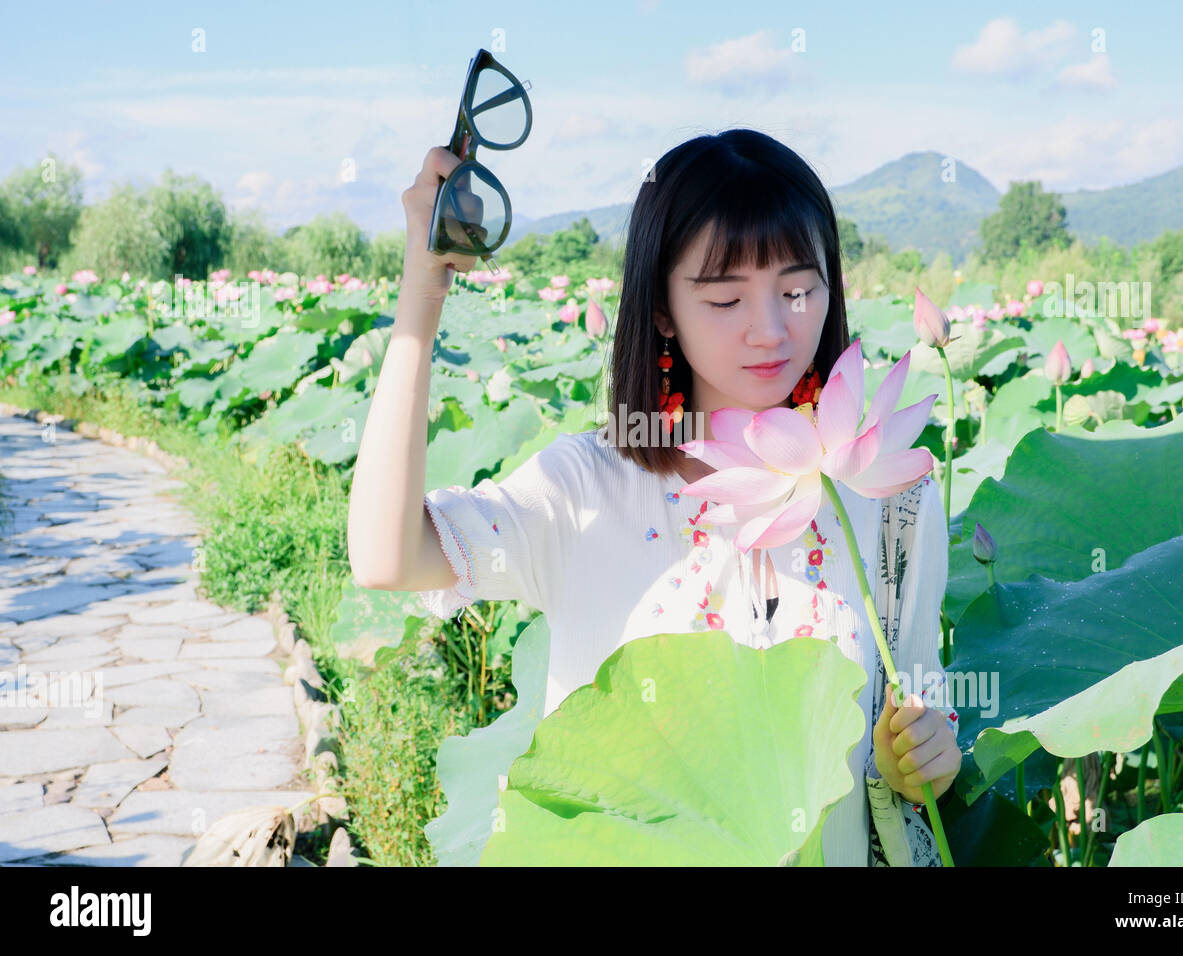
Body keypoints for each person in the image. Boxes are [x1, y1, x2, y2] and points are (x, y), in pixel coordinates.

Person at [348, 128, 961, 866]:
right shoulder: (583, 490)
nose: (771, 329)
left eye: (799, 290)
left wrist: (922, 760)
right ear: (663, 310)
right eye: (726, 297)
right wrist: (423, 289)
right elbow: (386, 557)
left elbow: (923, 711)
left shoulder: (889, 496)